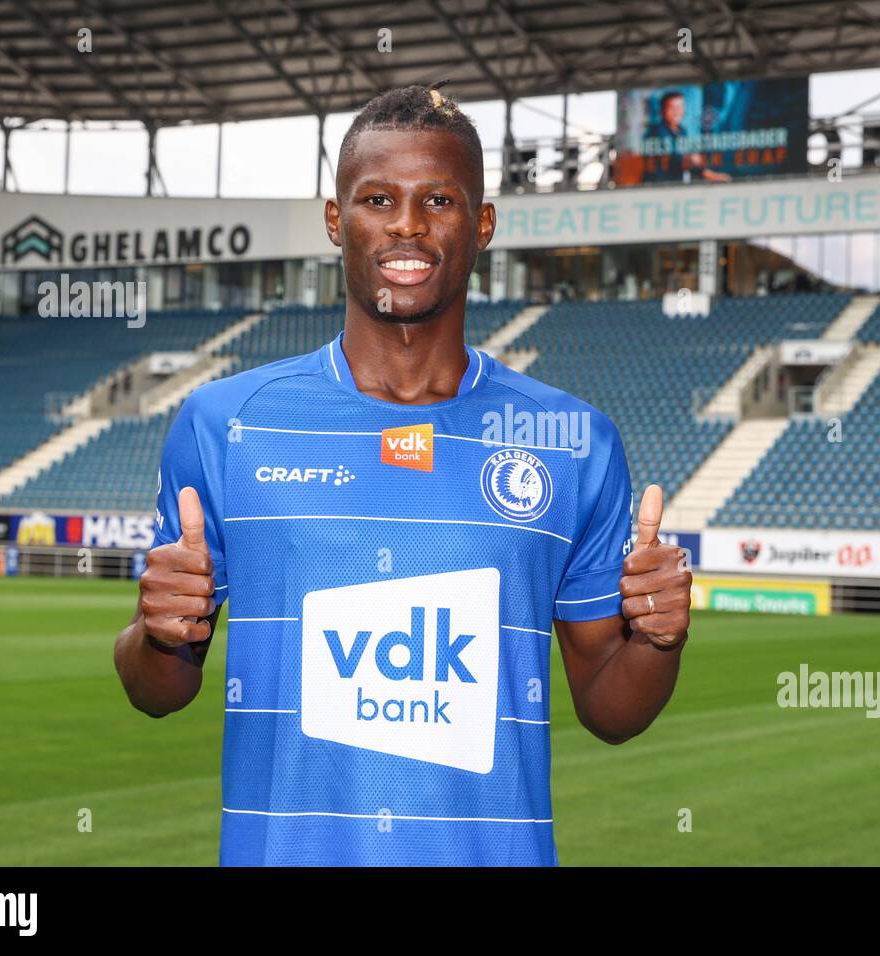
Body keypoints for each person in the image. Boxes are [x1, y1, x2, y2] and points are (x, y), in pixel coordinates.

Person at [113, 82, 692, 867]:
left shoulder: (569, 440)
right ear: (335, 219)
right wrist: (154, 635)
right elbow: (160, 689)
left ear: (482, 224)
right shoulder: (227, 425)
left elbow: (609, 708)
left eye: (439, 200)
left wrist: (657, 640)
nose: (407, 225)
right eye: (378, 198)